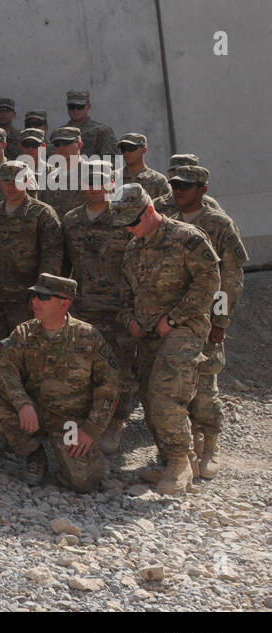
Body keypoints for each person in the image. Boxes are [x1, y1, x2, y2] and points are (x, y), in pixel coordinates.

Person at [113, 183, 220, 494]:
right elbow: (125, 295)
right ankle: (170, 458)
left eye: (133, 222)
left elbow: (208, 282)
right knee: (148, 397)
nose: (130, 230)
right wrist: (129, 320)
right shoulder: (134, 248)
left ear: (149, 210)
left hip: (184, 330)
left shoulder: (187, 238)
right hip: (147, 335)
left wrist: (172, 319)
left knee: (164, 394)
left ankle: (178, 464)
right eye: (125, 225)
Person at [155, 166, 249, 479]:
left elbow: (231, 278)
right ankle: (183, 447)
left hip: (206, 317)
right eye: (174, 184)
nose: (178, 190)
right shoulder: (165, 218)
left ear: (203, 189)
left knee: (206, 383)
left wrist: (221, 320)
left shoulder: (218, 223)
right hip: (171, 317)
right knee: (173, 383)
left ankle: (210, 445)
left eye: (185, 185)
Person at [0, 274, 118, 491]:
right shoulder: (23, 333)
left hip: (70, 421)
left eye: (43, 297)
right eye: (34, 296)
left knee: (84, 482)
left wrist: (91, 430)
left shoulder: (88, 336)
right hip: (35, 413)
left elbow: (109, 385)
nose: (35, 302)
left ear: (64, 303)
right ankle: (34, 454)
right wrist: (23, 404)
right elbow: (3, 369)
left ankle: (63, 455)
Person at [62, 160, 136, 451]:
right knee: (84, 366)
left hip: (118, 307)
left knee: (121, 367)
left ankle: (116, 421)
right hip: (82, 307)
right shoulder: (71, 220)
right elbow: (65, 265)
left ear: (111, 184)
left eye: (100, 181)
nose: (95, 187)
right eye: (89, 181)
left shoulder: (125, 218)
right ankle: (87, 420)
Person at [0, 160, 63, 341]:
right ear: (0, 182)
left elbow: (52, 258)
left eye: (16, 180)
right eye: (6, 181)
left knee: (28, 347)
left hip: (27, 299)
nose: (10, 186)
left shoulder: (43, 214)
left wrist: (42, 295)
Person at [61, 89, 116, 157]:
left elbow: (115, 162)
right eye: (72, 106)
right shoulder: (59, 133)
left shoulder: (102, 131)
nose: (75, 110)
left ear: (88, 107)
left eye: (80, 107)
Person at [116, 133, 168, 199]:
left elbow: (168, 206)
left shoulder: (158, 180)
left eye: (131, 148)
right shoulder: (113, 178)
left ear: (144, 150)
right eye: (123, 149)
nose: (127, 152)